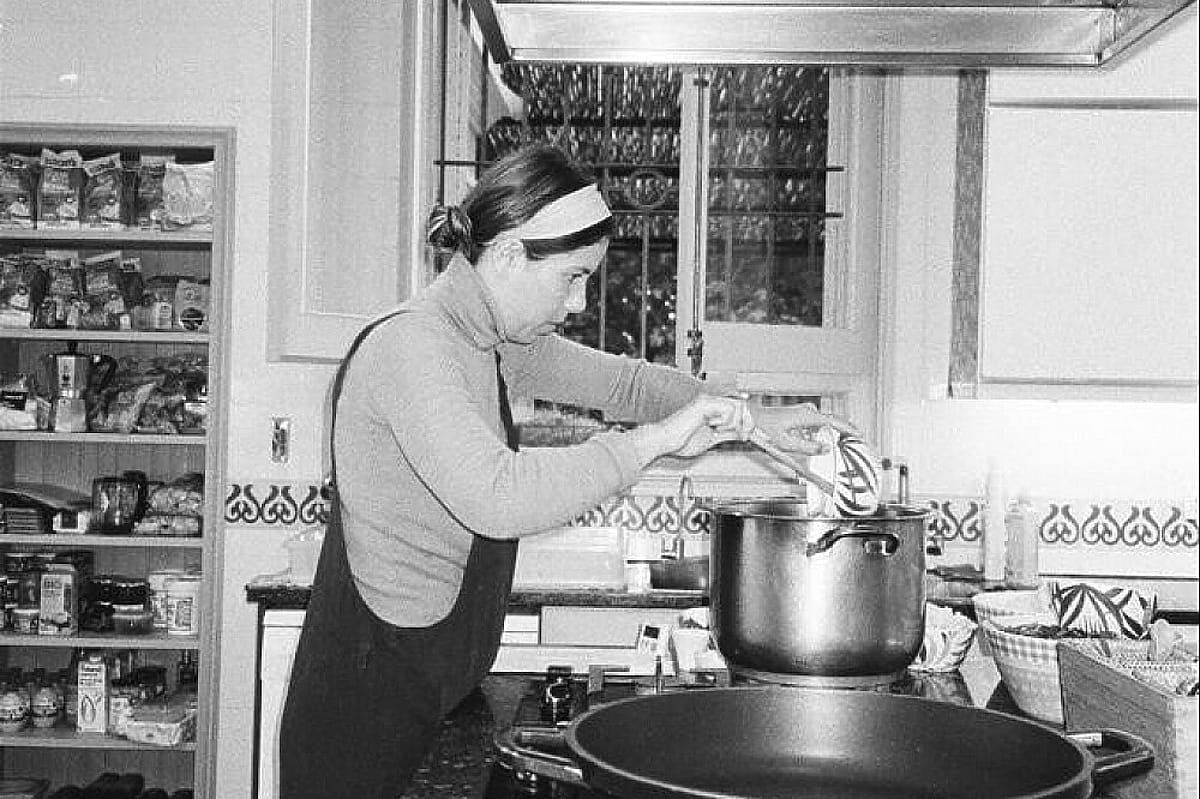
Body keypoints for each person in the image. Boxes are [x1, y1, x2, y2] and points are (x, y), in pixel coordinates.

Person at [278, 144, 846, 798]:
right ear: (514, 254)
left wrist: (756, 417)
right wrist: (651, 445)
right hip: (360, 715)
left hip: (422, 690)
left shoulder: (489, 342)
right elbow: (498, 494)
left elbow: (627, 384)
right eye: (572, 278)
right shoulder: (412, 346)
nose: (579, 303)